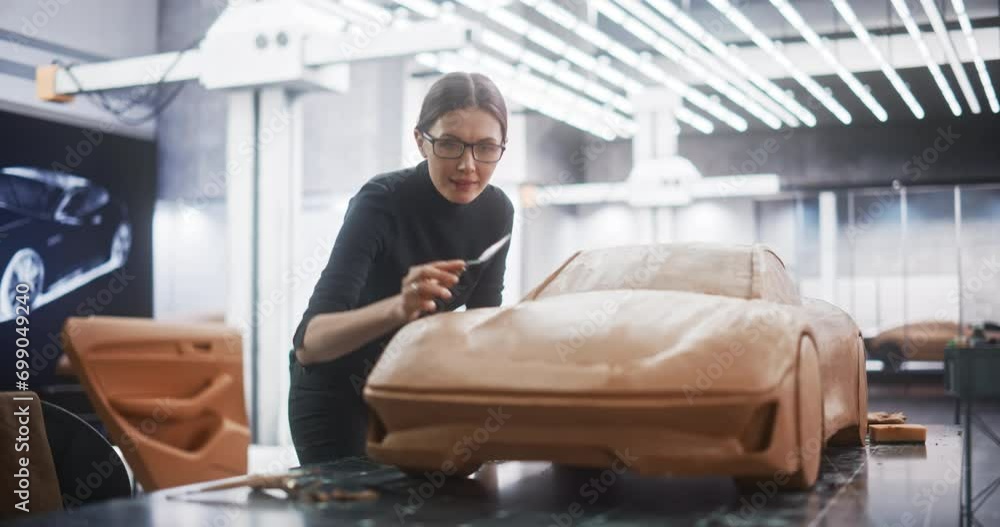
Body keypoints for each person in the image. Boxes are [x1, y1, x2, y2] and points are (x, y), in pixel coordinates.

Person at [288, 72, 515, 464]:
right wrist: (399, 308)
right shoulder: (381, 201)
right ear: (420, 141)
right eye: (449, 144)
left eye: (486, 148)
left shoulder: (497, 211)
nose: (467, 165)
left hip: (411, 389)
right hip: (336, 392)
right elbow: (309, 344)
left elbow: (481, 325)